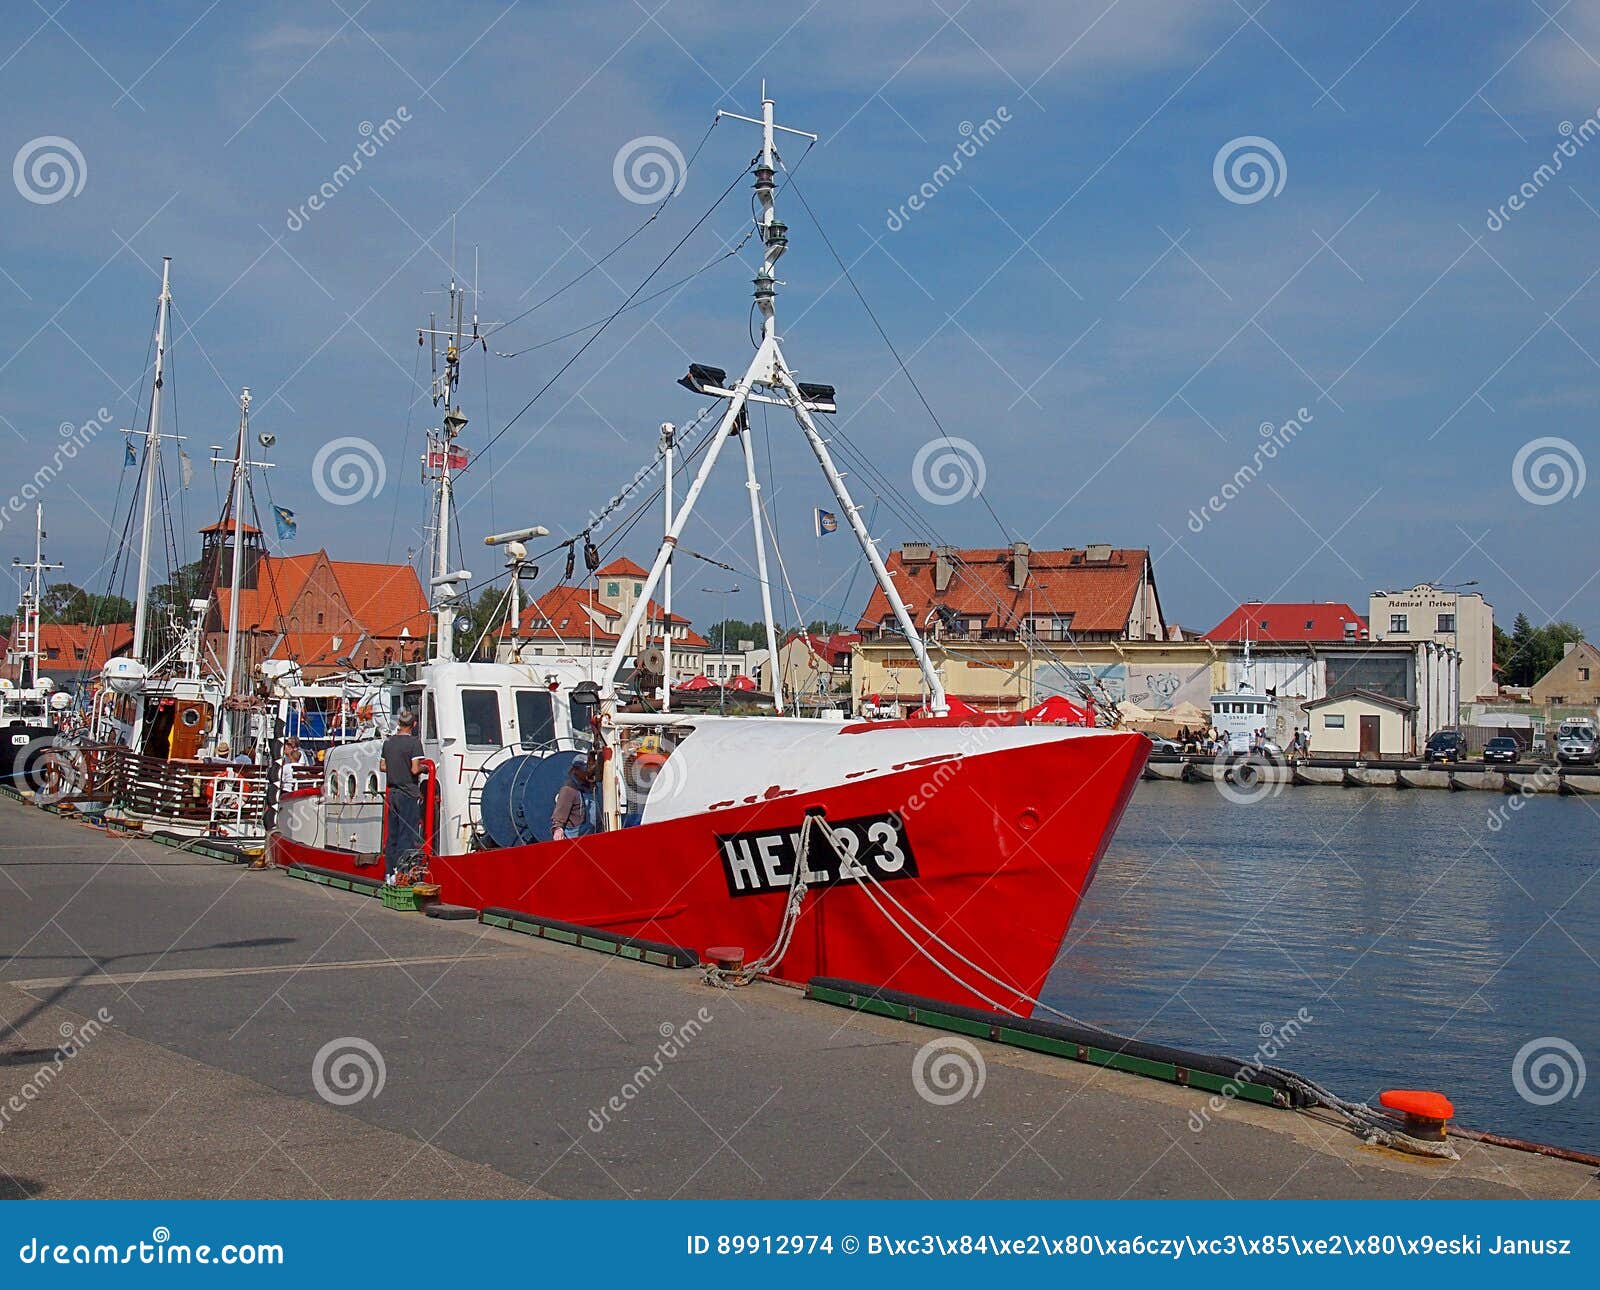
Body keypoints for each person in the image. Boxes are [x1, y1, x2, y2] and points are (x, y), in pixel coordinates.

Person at [379, 710, 425, 876]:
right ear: (414, 725)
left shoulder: (388, 742)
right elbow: (415, 769)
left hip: (393, 792)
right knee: (407, 835)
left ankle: (390, 873)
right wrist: (424, 768)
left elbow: (382, 766)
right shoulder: (414, 743)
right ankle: (403, 874)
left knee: (393, 835)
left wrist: (396, 767)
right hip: (408, 792)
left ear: (399, 723)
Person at [551, 755, 594, 841]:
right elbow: (559, 815)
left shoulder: (591, 786)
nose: (588, 772)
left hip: (593, 835)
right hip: (575, 839)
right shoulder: (568, 789)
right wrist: (558, 830)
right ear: (576, 770)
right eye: (584, 770)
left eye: (589, 769)